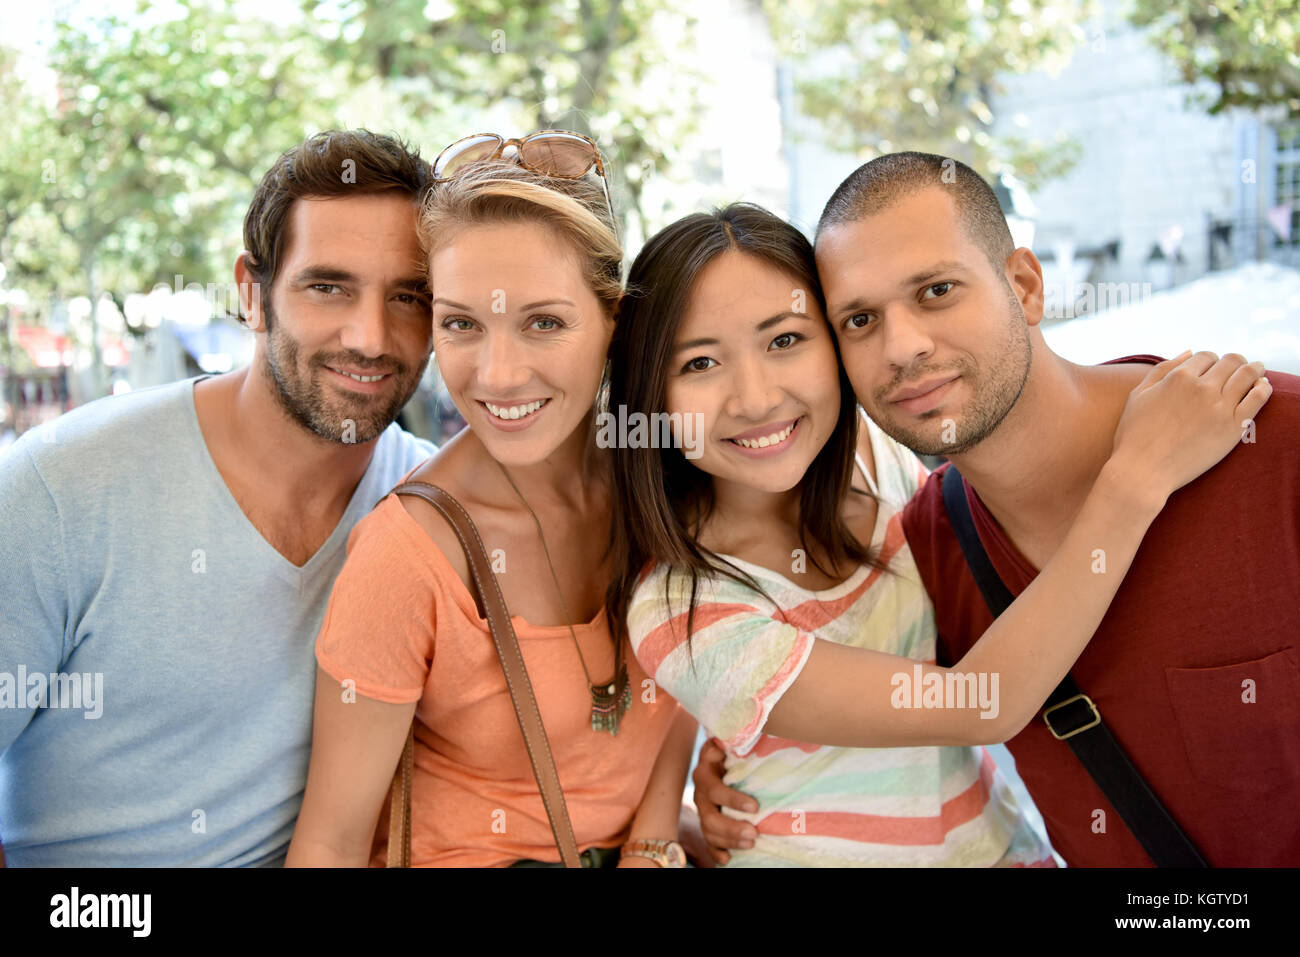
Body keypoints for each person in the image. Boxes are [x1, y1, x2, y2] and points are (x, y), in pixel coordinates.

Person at [606, 201, 1270, 866]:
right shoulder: (679, 611)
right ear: (650, 393)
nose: (753, 398)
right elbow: (982, 702)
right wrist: (1137, 478)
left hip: (998, 846)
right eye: (698, 363)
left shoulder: (877, 456)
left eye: (784, 340)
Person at [0, 130, 439, 866]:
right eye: (326, 286)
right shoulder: (60, 489)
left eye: (409, 296)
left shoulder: (434, 508)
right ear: (252, 291)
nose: (370, 336)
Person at [287, 142, 696, 868]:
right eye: (461, 324)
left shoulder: (668, 483)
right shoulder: (408, 554)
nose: (499, 376)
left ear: (614, 319)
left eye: (543, 322)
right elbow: (330, 843)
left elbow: (687, 689)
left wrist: (658, 838)